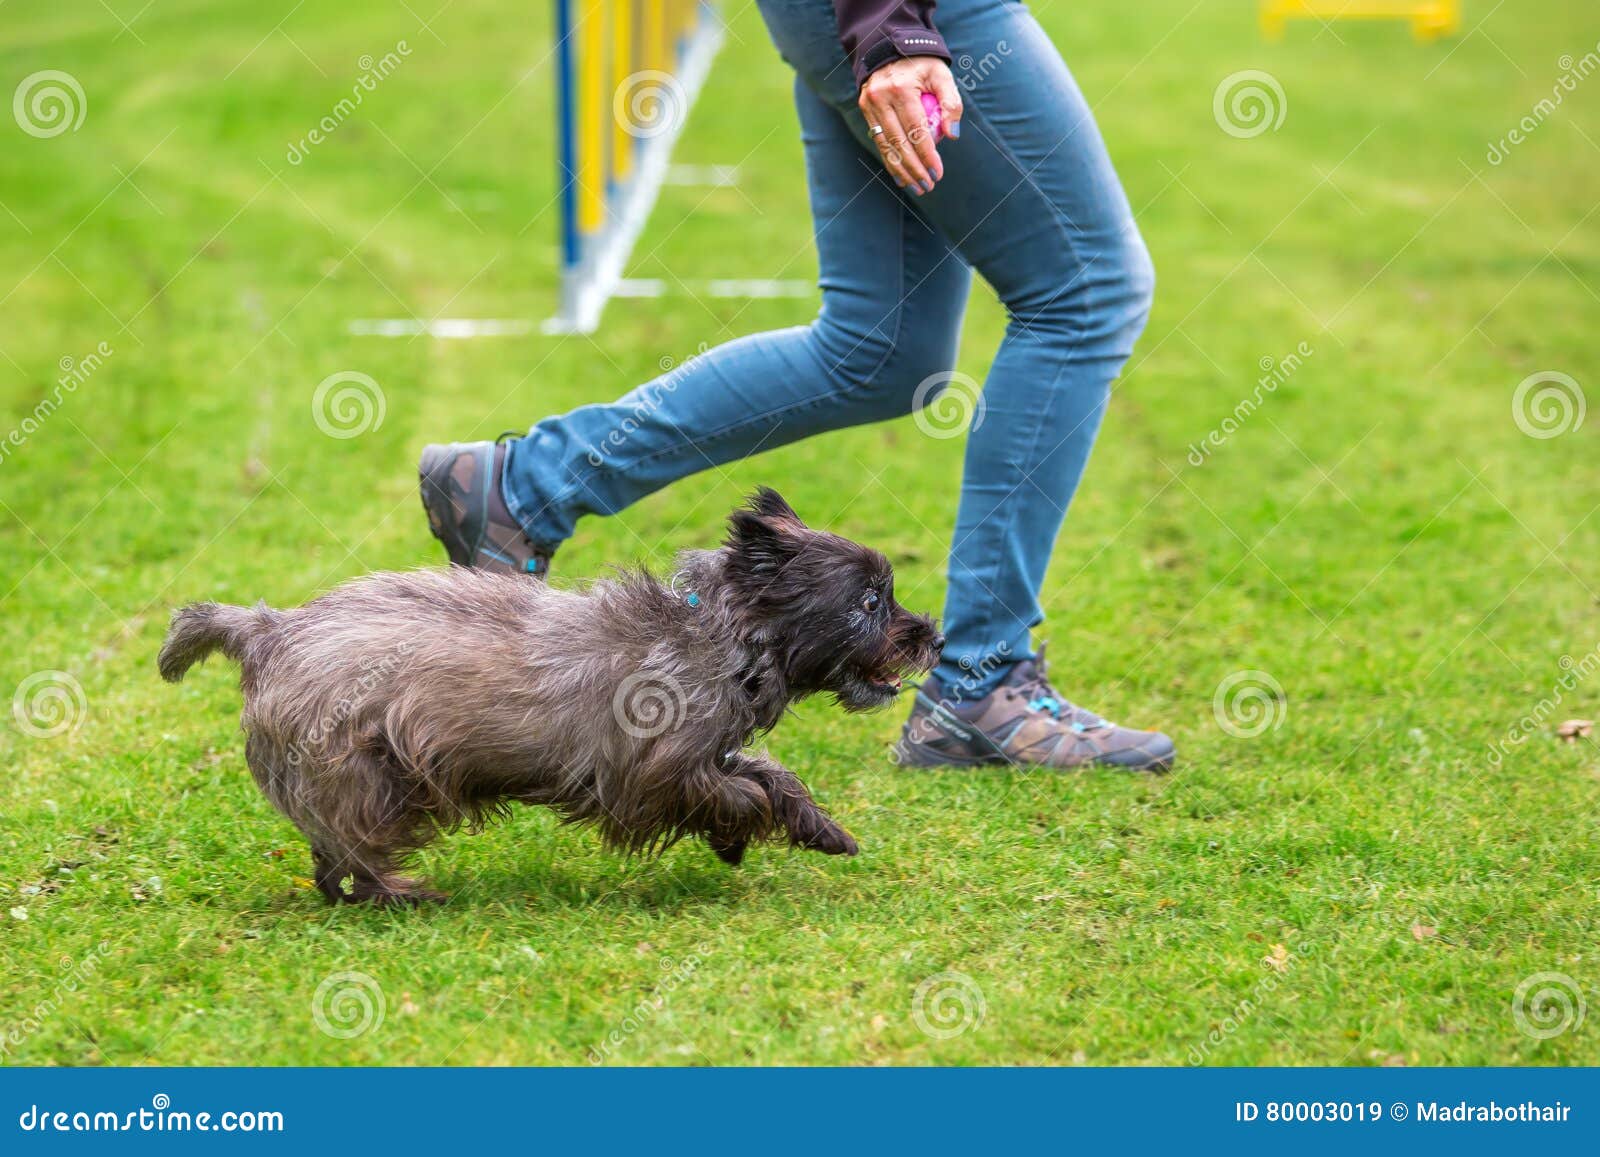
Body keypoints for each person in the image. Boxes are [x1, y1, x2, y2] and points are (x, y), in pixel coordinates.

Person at [418, 0, 1174, 772]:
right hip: (911, 18)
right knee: (1086, 293)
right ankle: (986, 680)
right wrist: (893, 35)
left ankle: (527, 485)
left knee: (881, 348)